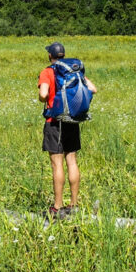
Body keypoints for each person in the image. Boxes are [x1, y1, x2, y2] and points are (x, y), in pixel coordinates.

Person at [38, 41, 97, 217]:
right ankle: (73, 204)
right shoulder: (74, 70)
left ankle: (57, 207)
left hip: (55, 121)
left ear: (50, 55)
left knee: (57, 164)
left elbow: (43, 94)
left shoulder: (48, 71)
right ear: (63, 55)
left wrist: (46, 99)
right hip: (72, 120)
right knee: (72, 161)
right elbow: (93, 89)